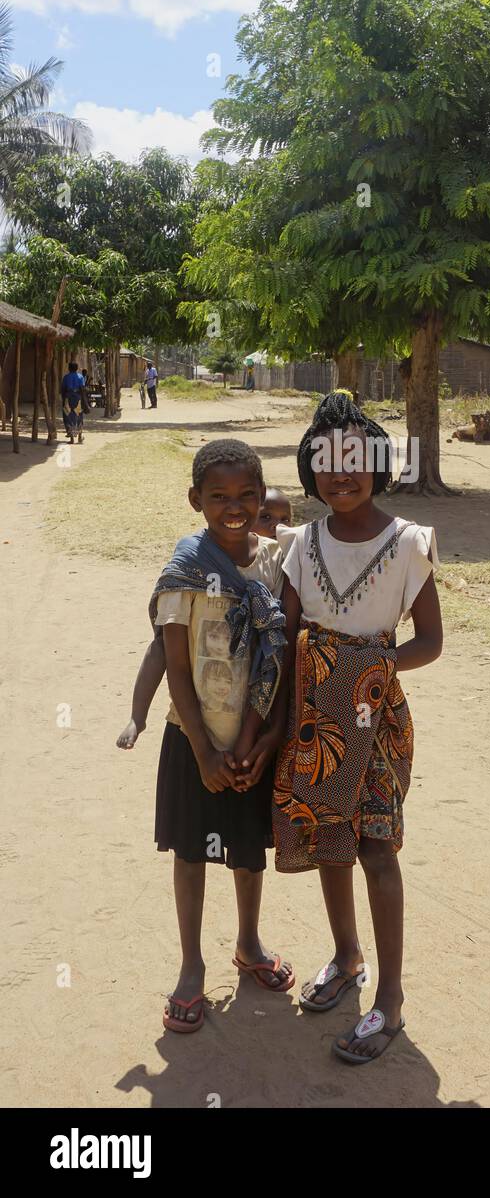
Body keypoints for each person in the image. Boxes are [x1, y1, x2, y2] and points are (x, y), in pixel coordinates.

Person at [273, 392, 442, 1064]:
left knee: (376, 848)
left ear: (378, 463)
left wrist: (370, 668)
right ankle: (346, 957)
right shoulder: (299, 543)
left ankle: (390, 1001)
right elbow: (284, 634)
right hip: (314, 721)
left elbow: (429, 641)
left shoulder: (407, 544)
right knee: (329, 842)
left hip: (373, 721)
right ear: (311, 469)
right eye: (326, 461)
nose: (341, 474)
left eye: (355, 459)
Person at [119, 438, 294, 1034]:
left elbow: (282, 654)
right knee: (192, 854)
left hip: (251, 746)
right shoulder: (184, 569)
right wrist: (202, 751)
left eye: (248, 494)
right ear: (196, 500)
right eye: (218, 496)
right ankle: (191, 966)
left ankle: (248, 943)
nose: (235, 506)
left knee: (248, 855)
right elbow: (174, 661)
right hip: (191, 741)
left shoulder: (273, 561)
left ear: (262, 495)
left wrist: (262, 741)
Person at [117, 488, 293, 747]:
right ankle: (137, 717)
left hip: (252, 714)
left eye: (285, 519)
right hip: (192, 724)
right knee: (161, 646)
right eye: (266, 518)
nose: (276, 526)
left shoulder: (280, 560)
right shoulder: (195, 556)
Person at [60, 360, 86, 444]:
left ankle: (71, 438)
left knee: (68, 416)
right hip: (78, 398)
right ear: (77, 368)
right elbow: (82, 389)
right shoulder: (81, 377)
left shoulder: (66, 377)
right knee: (79, 415)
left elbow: (63, 389)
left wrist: (63, 399)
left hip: (68, 397)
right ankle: (79, 436)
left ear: (69, 368)